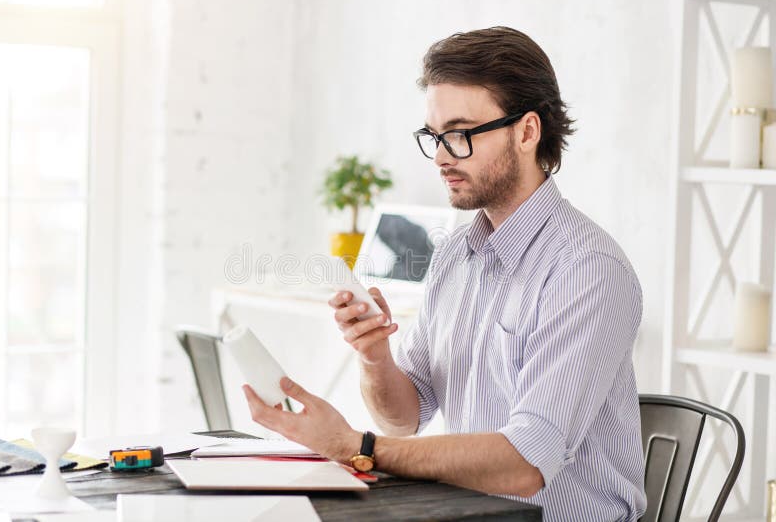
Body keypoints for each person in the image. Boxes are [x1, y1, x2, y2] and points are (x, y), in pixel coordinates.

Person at [243, 26, 646, 521]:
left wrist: (355, 447)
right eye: (434, 137)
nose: (439, 157)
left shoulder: (587, 271)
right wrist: (374, 356)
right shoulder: (456, 254)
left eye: (459, 135)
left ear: (527, 132)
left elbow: (526, 462)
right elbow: (405, 418)